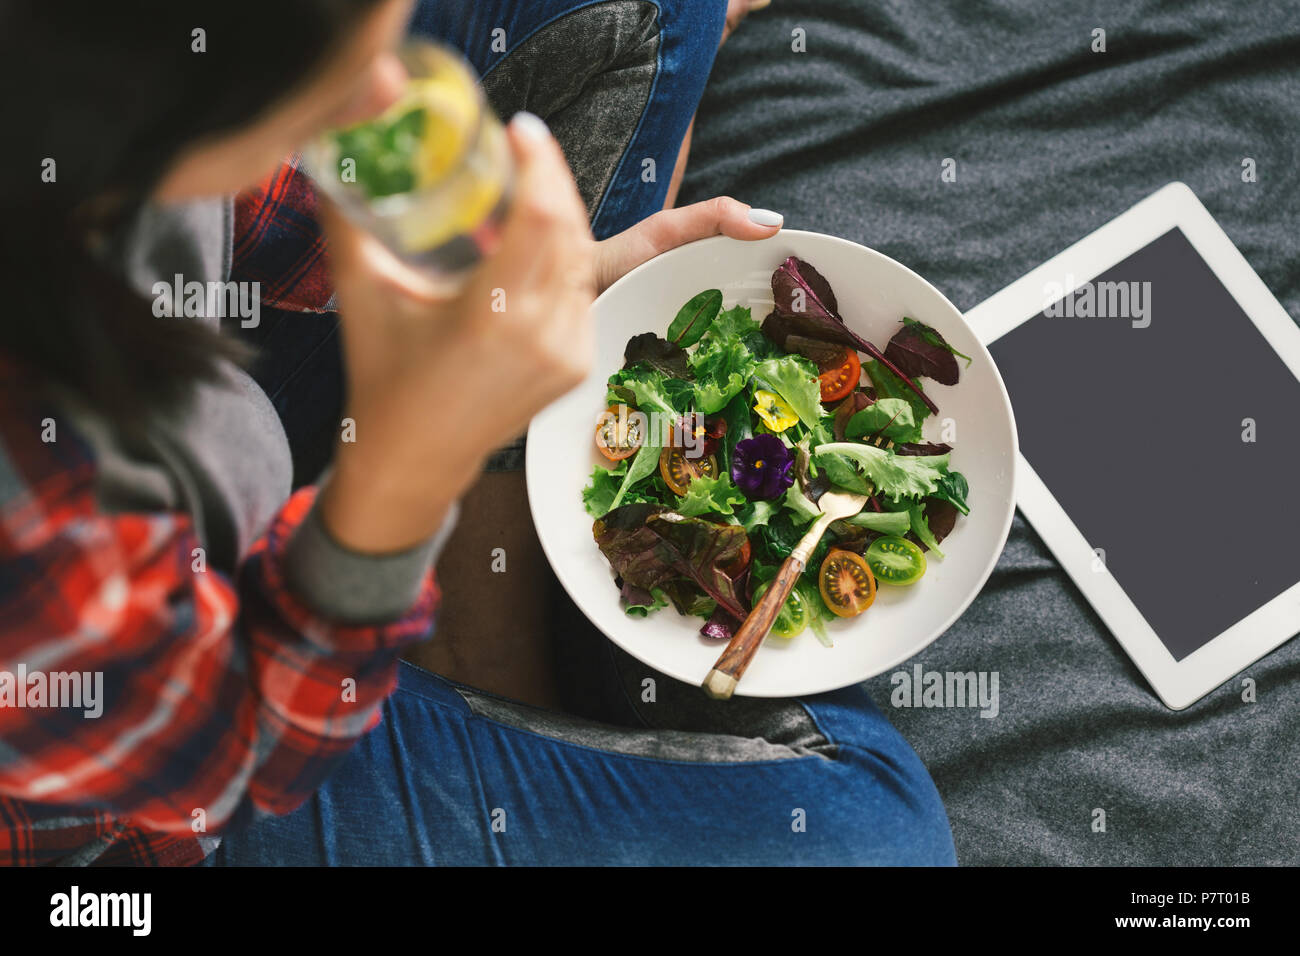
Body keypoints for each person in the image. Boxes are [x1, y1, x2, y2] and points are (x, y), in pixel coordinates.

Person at [0, 0, 956, 865]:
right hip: (168, 775)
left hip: (207, 436)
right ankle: (471, 651)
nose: (382, 92)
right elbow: (210, 758)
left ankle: (479, 624)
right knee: (873, 840)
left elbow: (251, 211)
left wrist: (513, 290)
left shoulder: (81, 95)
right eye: (338, 77)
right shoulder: (37, 513)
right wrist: (400, 482)